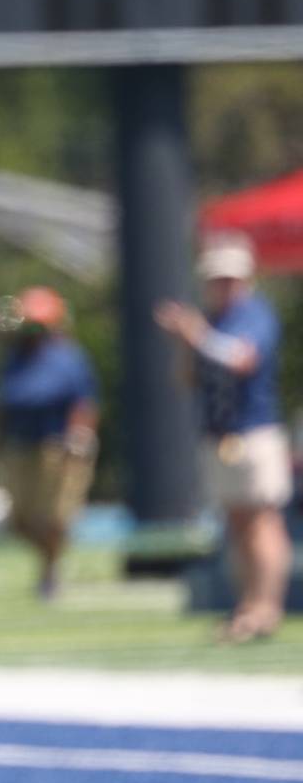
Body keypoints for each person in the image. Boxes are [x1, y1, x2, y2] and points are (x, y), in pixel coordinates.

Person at [156, 235, 292, 643]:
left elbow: (243, 359)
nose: (224, 286)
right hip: (218, 436)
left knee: (262, 521)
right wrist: (184, 341)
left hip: (254, 434)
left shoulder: (254, 314)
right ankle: (247, 606)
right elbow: (186, 379)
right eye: (218, 279)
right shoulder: (211, 321)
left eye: (231, 279)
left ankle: (266, 608)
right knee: (237, 525)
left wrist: (195, 334)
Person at [0, 285, 99, 600]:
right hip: (21, 443)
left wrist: (79, 435)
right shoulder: (15, 356)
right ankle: (51, 559)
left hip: (56, 445)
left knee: (53, 517)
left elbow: (84, 402)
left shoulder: (67, 356)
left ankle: (50, 571)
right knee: (19, 520)